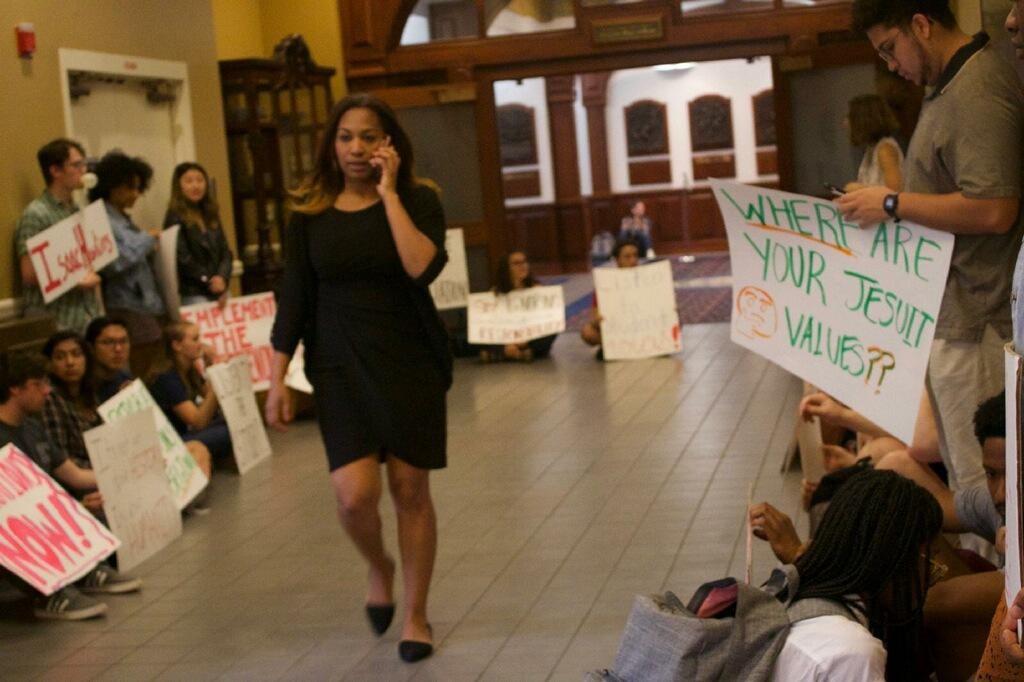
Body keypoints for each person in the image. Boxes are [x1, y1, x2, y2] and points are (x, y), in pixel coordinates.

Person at [266, 93, 451, 663]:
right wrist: (276, 378)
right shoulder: (309, 212)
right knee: (353, 497)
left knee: (409, 489)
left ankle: (416, 613)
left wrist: (389, 195)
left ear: (389, 144)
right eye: (346, 136)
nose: (355, 148)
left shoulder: (419, 199)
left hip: (408, 358)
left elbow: (421, 267)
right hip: (338, 363)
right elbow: (294, 297)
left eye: (368, 136)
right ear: (331, 143)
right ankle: (379, 564)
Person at [842, 0, 1024, 494]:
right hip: (953, 315)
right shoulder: (944, 90)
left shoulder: (977, 88)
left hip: (980, 319)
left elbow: (995, 208)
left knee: (987, 491)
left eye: (890, 48)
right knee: (969, 486)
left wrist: (893, 202)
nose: (890, 65)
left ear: (920, 25)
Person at [0, 351, 141, 620]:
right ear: (15, 389)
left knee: (106, 517)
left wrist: (126, 471)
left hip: (41, 519)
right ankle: (49, 594)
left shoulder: (32, 428)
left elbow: (75, 476)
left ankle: (87, 570)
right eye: (38, 385)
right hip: (15, 527)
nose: (47, 391)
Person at [765, 469, 942, 680]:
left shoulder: (793, 597)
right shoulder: (850, 653)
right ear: (895, 559)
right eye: (931, 561)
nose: (934, 577)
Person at [14, 138, 102, 333]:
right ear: (55, 171)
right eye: (77, 165)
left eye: (84, 164)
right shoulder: (36, 214)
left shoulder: (77, 211)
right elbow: (29, 273)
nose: (83, 170)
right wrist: (75, 280)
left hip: (85, 316)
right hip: (56, 318)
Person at [91, 151, 166, 375]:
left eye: (138, 188)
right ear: (112, 186)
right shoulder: (100, 219)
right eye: (129, 188)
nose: (135, 194)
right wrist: (147, 238)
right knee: (138, 362)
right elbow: (114, 262)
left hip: (141, 301)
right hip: (125, 302)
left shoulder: (122, 218)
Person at [148, 321, 232, 464]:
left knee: (232, 421)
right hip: (172, 441)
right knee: (227, 432)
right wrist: (218, 376)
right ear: (177, 346)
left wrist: (210, 366)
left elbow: (215, 402)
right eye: (195, 339)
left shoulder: (189, 369)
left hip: (186, 432)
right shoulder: (167, 377)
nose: (200, 344)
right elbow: (198, 421)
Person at [163, 162, 233, 306]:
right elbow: (183, 259)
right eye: (189, 181)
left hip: (221, 288)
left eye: (200, 180)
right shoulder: (174, 217)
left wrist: (222, 277)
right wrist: (209, 281)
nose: (196, 186)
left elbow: (225, 251)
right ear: (179, 186)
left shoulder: (211, 213)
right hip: (195, 292)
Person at [479, 251, 558, 363]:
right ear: (506, 268)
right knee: (476, 334)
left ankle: (502, 354)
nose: (523, 266)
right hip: (505, 339)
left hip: (529, 339)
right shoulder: (496, 292)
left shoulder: (537, 289)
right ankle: (518, 353)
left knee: (552, 331)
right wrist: (507, 342)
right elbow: (490, 324)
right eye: (516, 263)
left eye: (524, 262)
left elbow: (546, 320)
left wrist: (526, 339)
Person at [40, 331, 102, 469]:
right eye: (60, 357)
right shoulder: (50, 398)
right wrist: (106, 467)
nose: (70, 362)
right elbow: (61, 459)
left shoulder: (90, 391)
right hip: (80, 478)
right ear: (50, 363)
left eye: (76, 354)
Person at [581, 238, 642, 356]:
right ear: (617, 260)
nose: (633, 260)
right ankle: (617, 346)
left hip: (643, 327)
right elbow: (595, 314)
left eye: (635, 256)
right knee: (588, 332)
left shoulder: (651, 279)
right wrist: (597, 321)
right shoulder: (605, 284)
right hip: (618, 329)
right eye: (627, 257)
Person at [844, 94, 904, 192]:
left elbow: (895, 192)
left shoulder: (885, 150)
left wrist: (859, 189)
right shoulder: (871, 149)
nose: (845, 122)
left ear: (863, 120)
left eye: (849, 117)